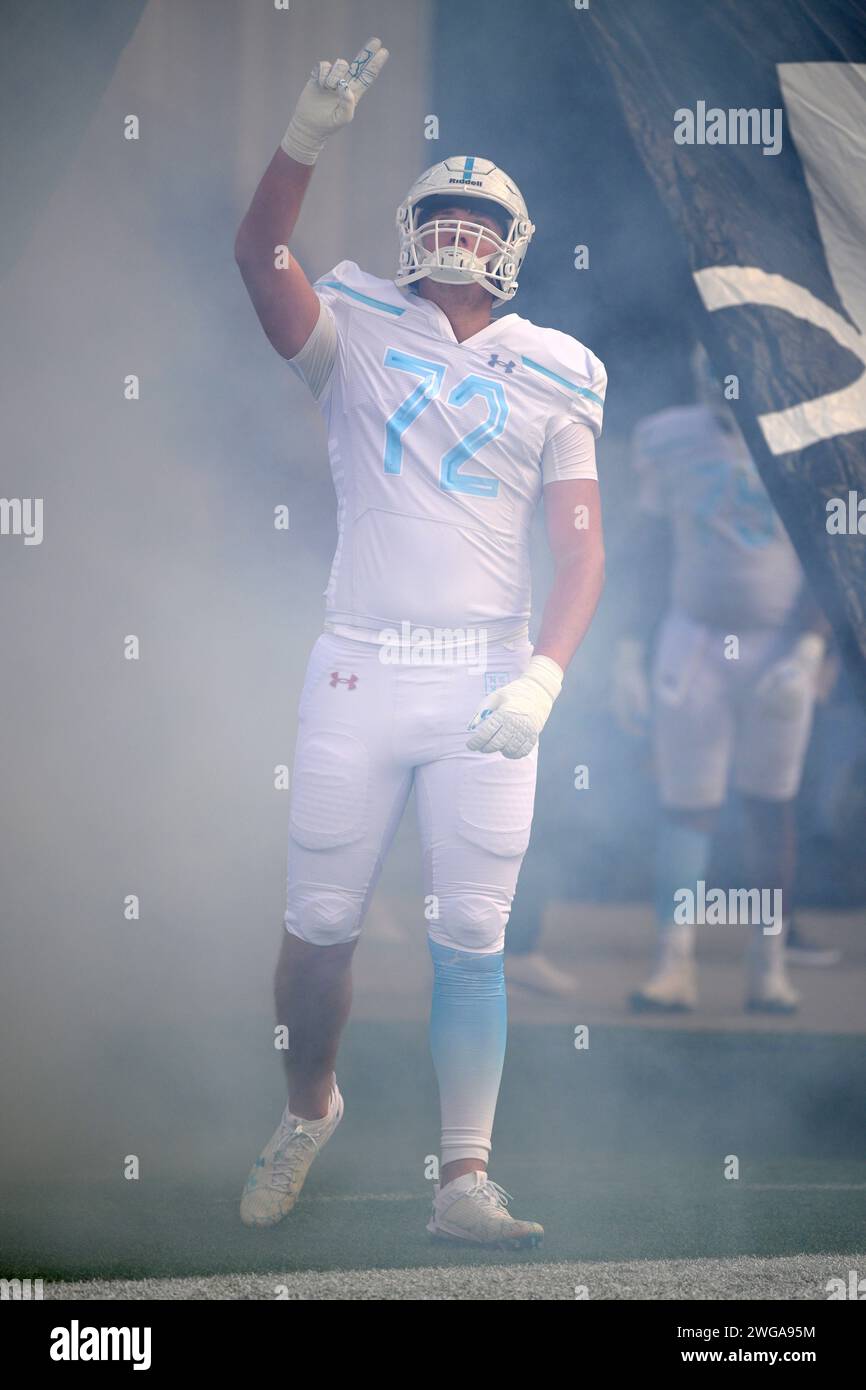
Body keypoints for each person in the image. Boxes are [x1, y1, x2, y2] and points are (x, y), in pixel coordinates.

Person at [234, 38, 606, 1247]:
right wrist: (303, 137)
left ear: (514, 242)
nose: (455, 230)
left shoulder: (561, 368)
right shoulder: (352, 318)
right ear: (410, 227)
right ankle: (309, 1107)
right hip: (357, 659)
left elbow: (581, 545)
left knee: (470, 936)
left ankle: (461, 1177)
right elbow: (257, 254)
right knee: (317, 934)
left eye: (476, 216)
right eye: (438, 210)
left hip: (488, 670)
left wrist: (546, 673)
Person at [614, 344, 831, 1014]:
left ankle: (767, 964)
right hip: (694, 637)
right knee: (687, 803)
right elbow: (648, 552)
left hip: (778, 646)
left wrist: (811, 648)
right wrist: (627, 651)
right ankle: (672, 962)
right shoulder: (668, 437)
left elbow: (832, 552)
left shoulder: (807, 433)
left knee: (770, 806)